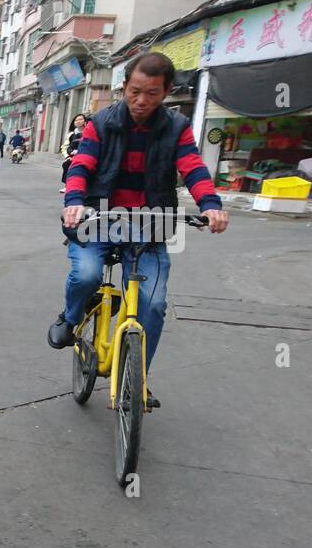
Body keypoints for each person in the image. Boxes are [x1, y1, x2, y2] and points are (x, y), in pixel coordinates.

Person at [47, 53, 229, 408]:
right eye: (134, 91)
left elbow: (192, 168)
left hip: (150, 226)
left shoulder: (176, 128)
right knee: (86, 276)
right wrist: (74, 200)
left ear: (166, 92)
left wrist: (211, 205)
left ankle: (137, 379)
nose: (141, 101)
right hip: (96, 221)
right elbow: (82, 164)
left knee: (154, 303)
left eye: (151, 93)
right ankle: (70, 319)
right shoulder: (100, 123)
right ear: (124, 86)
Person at [60, 112, 87, 193]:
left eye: (81, 119)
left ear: (85, 121)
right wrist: (67, 156)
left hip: (86, 155)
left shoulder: (89, 131)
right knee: (66, 164)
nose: (78, 121)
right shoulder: (71, 134)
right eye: (76, 120)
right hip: (73, 156)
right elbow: (65, 147)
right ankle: (67, 185)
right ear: (74, 123)